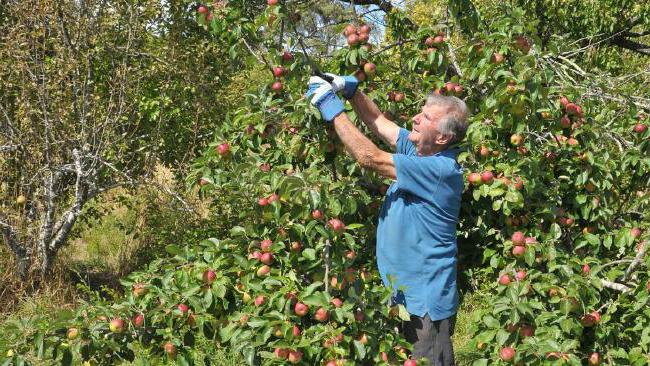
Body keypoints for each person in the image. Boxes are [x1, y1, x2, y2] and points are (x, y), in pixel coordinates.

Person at [305, 74, 468, 366]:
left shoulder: (440, 170)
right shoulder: (420, 150)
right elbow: (379, 122)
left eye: (426, 117)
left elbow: (370, 157)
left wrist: (330, 106)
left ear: (443, 137)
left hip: (425, 303)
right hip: (402, 294)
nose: (416, 119)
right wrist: (353, 92)